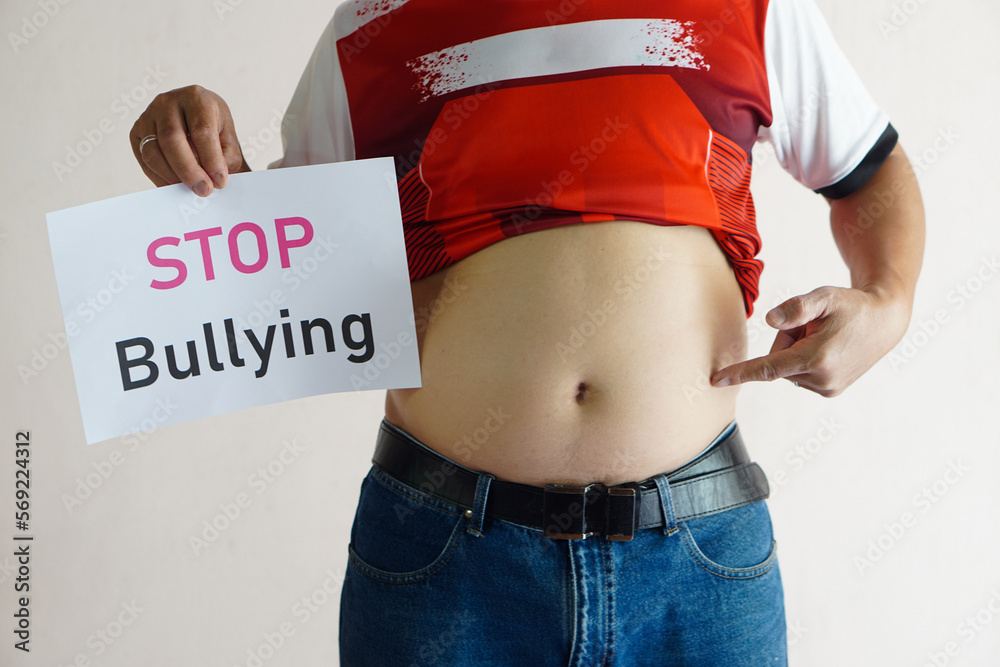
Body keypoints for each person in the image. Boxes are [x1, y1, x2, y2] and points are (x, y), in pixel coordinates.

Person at [130, 0, 924, 663]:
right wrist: (192, 158)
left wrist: (888, 303)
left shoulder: (748, 5)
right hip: (445, 564)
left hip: (696, 560)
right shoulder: (374, 21)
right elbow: (282, 254)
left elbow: (870, 169)